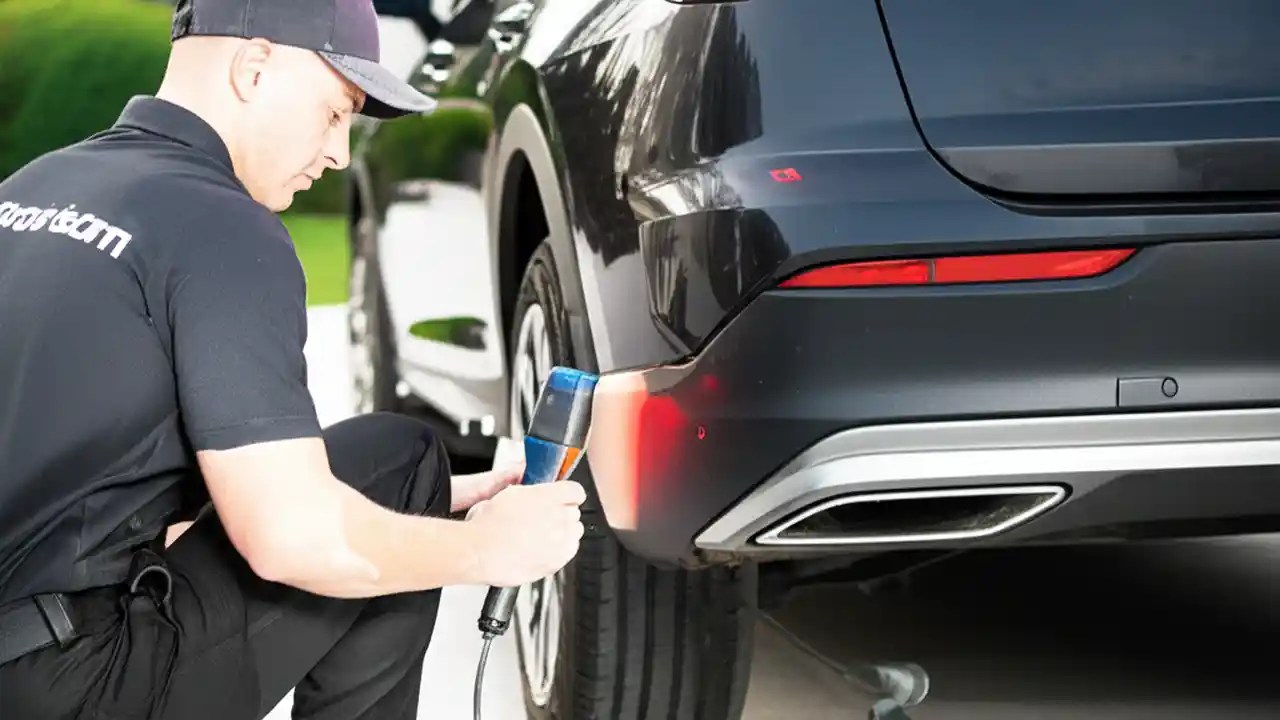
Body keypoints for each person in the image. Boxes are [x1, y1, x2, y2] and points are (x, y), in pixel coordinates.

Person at [0, 0, 586, 717]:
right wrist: (488, 554)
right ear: (254, 68)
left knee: (394, 487)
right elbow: (289, 537)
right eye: (337, 111)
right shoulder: (221, 226)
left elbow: (83, 484)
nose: (340, 152)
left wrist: (447, 509)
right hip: (73, 685)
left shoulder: (31, 192)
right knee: (400, 460)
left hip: (27, 643)